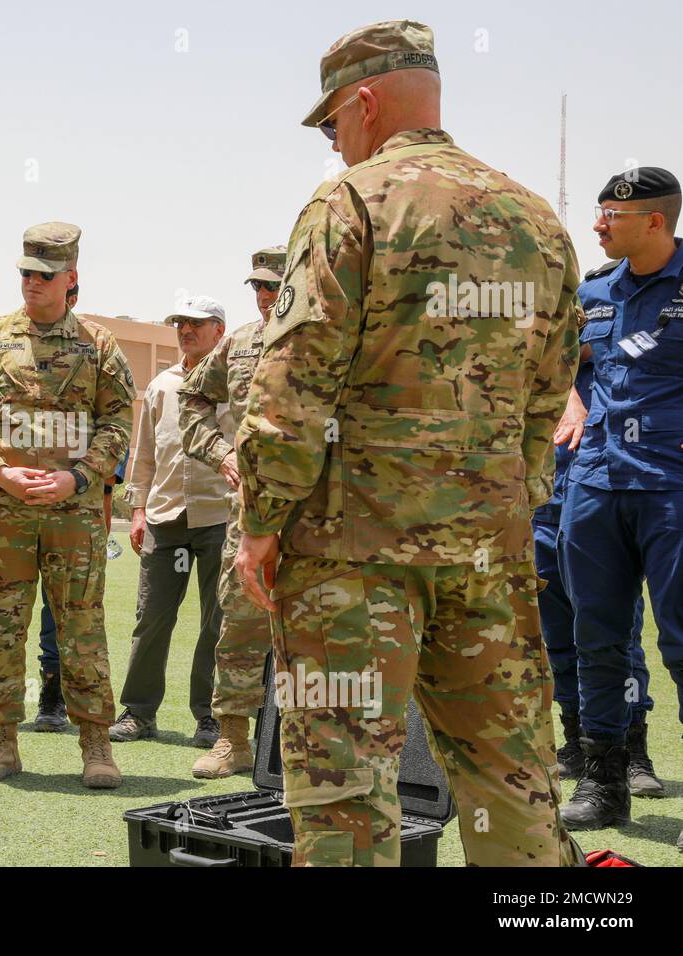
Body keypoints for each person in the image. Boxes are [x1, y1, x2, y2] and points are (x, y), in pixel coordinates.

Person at [234, 20, 580, 866]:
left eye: (330, 125)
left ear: (364, 102)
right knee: (510, 778)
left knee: (347, 789)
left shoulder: (351, 202)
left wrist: (261, 519)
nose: (335, 142)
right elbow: (552, 394)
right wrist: (506, 499)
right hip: (488, 553)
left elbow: (292, 385)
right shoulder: (538, 219)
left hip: (354, 557)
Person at [0, 221, 134, 788]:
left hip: (72, 516)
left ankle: (96, 745)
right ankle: (1, 742)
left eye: (45, 275)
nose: (33, 282)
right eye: (27, 272)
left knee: (81, 624)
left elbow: (119, 420)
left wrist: (78, 479)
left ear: (71, 278)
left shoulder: (98, 346)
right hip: (3, 515)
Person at [558, 167, 683, 833]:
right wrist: (576, 398)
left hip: (672, 487)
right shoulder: (594, 292)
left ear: (655, 221)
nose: (598, 225)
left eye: (610, 215)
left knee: (682, 643)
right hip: (598, 484)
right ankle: (603, 783)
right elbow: (566, 365)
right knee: (597, 638)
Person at [178, 247, 284, 778]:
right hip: (251, 512)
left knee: (326, 631)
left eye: (274, 285)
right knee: (239, 625)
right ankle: (233, 740)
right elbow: (192, 400)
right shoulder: (239, 344)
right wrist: (221, 454)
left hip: (325, 515)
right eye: (257, 288)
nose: (265, 297)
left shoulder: (338, 335)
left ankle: (316, 746)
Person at [533, 323, 653, 787]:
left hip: (600, 511)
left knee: (618, 635)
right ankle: (576, 742)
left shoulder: (623, 374)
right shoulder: (540, 371)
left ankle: (633, 749)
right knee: (559, 639)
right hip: (544, 510)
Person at [0, 451, 127, 735]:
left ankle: (51, 699)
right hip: (5, 502)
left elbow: (108, 477)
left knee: (64, 609)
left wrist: (102, 516)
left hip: (72, 507)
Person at [111, 296, 231, 748]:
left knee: (217, 622)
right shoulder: (161, 385)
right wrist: (138, 509)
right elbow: (143, 453)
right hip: (166, 516)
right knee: (151, 618)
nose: (185, 330)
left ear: (218, 329)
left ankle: (211, 717)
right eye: (180, 323)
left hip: (220, 514)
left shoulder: (238, 382)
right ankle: (139, 713)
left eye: (196, 323)